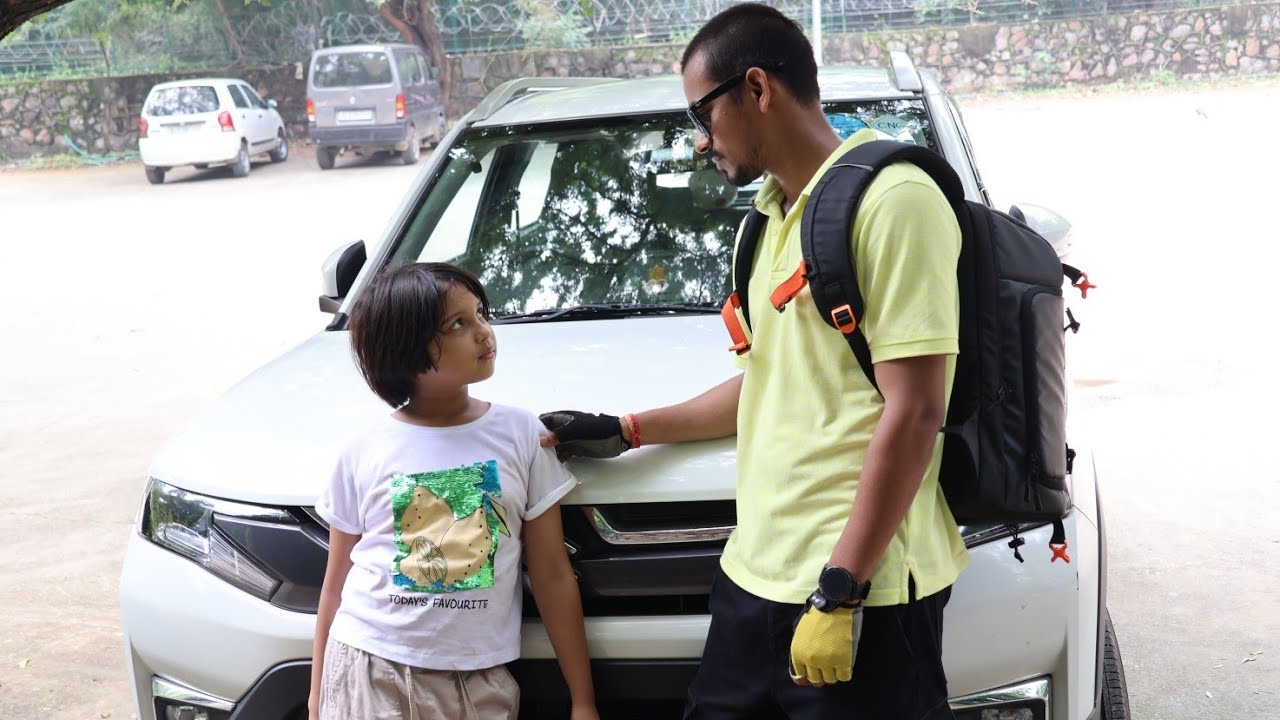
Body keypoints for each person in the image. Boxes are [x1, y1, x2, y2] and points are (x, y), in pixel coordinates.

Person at [540, 4, 968, 719]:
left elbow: (917, 408)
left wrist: (841, 586)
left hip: (860, 593)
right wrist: (631, 428)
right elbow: (768, 385)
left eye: (701, 116)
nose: (700, 142)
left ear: (758, 89)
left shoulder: (894, 202)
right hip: (753, 580)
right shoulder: (766, 219)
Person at [309, 262, 599, 720]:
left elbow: (551, 574)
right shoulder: (364, 449)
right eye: (459, 324)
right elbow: (334, 587)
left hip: (478, 678)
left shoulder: (522, 434)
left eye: (481, 313)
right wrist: (317, 698)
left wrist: (583, 701)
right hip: (370, 667)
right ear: (405, 347)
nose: (485, 332)